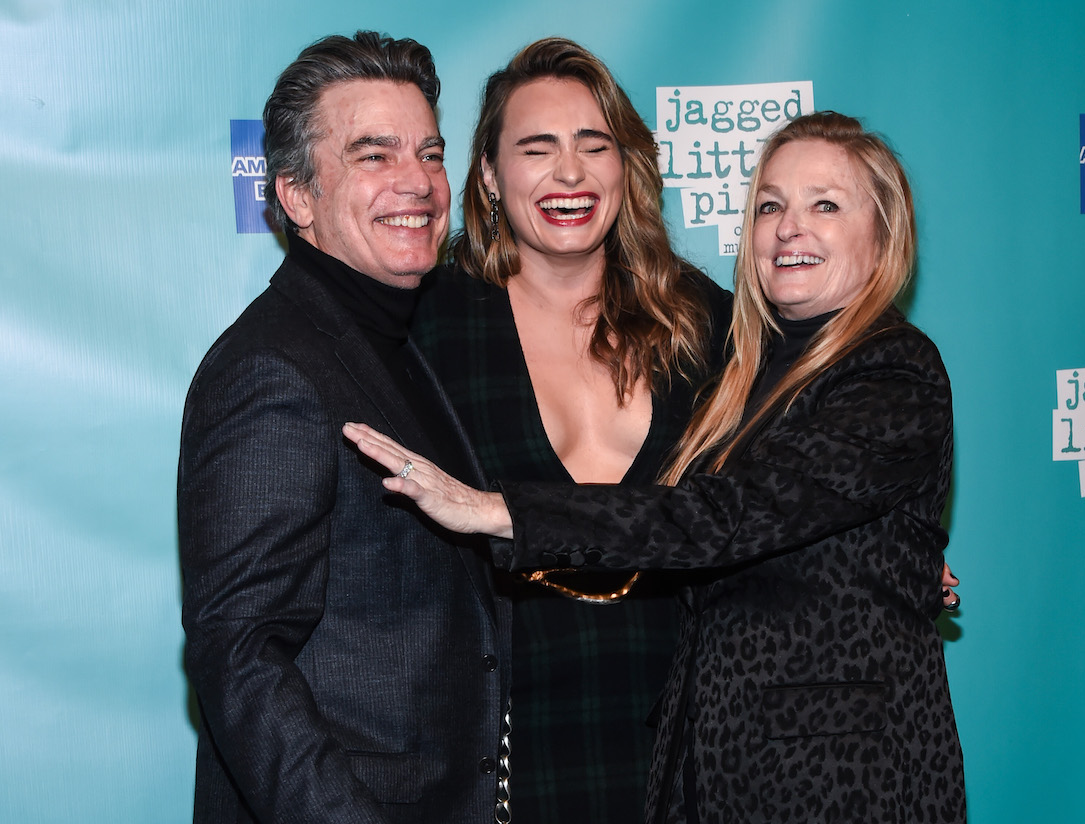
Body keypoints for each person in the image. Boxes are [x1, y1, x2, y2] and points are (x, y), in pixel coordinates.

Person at [346, 110, 968, 822]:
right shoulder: (739, 366)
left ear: (884, 233)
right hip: (712, 765)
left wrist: (500, 510)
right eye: (771, 205)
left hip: (840, 778)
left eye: (825, 204)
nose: (790, 227)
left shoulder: (895, 369)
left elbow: (727, 516)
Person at [178, 32, 509, 824]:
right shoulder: (272, 369)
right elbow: (241, 656)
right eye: (374, 156)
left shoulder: (397, 345)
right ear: (295, 195)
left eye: (430, 153)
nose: (419, 183)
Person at [409, 38, 729, 823]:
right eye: (537, 148)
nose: (571, 175)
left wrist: (867, 555)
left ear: (628, 166)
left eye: (596, 146)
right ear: (489, 174)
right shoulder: (428, 326)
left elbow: (777, 489)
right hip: (508, 742)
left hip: (688, 730)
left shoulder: (700, 321)